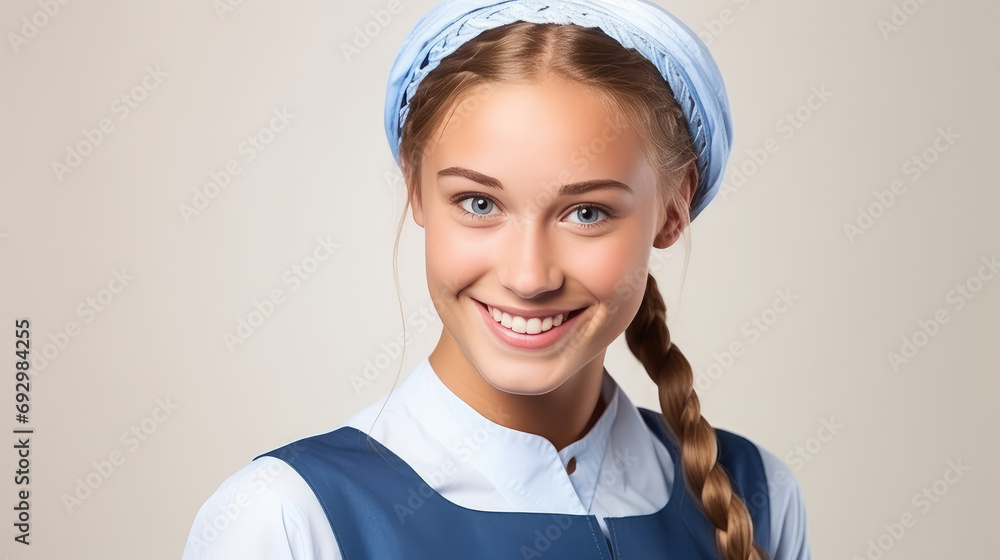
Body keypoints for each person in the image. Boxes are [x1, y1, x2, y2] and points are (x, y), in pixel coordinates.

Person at [182, 1, 812, 558]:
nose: (528, 276)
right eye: (479, 204)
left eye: (586, 212)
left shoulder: (759, 495)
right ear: (416, 193)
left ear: (672, 210)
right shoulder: (287, 520)